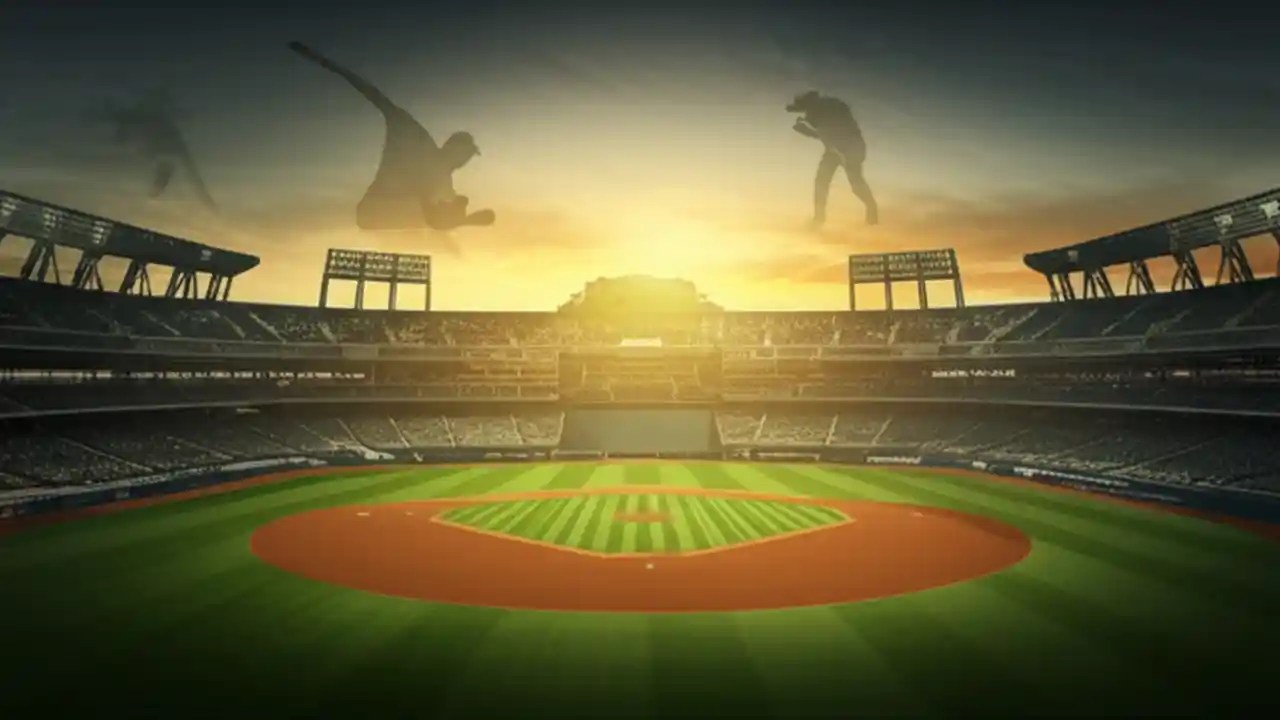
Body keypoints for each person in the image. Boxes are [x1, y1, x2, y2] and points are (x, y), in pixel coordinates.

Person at [288, 42, 494, 231]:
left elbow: (441, 220)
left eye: (468, 157)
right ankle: (446, 216)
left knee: (454, 203)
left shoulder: (444, 181)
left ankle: (450, 217)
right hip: (374, 210)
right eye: (465, 155)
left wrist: (458, 217)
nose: (465, 162)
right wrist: (327, 63)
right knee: (443, 205)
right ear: (452, 149)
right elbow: (376, 96)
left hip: (398, 221)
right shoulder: (415, 136)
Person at [97, 90, 219, 212]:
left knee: (168, 164)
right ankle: (161, 178)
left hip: (160, 144)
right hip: (156, 143)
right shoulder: (141, 119)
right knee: (161, 160)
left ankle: (161, 179)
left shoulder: (160, 128)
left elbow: (192, 171)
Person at [786, 90, 878, 227]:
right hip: (837, 149)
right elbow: (824, 134)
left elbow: (824, 133)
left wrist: (805, 130)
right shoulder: (824, 107)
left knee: (854, 184)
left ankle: (871, 210)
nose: (806, 114)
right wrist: (806, 129)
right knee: (822, 182)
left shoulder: (824, 109)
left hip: (850, 148)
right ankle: (819, 219)